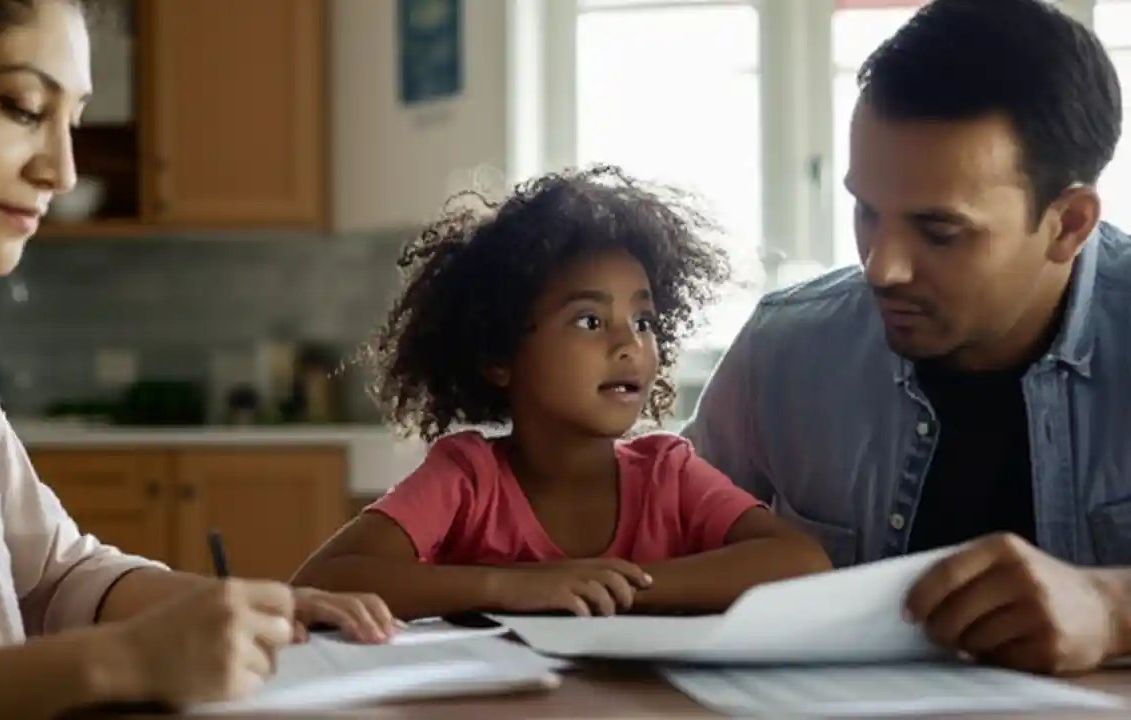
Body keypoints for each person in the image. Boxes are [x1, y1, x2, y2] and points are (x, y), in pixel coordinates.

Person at [0, 3, 396, 717]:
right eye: (22, 108)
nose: (63, 171)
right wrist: (120, 663)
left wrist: (262, 613)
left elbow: (56, 575)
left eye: (71, 122)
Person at [683, 0, 1130, 675]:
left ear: (1068, 223)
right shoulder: (785, 351)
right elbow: (646, 533)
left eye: (939, 230)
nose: (881, 267)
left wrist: (1112, 608)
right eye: (866, 210)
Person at [291, 166, 832, 620]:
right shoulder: (468, 478)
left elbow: (800, 563)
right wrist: (511, 588)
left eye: (643, 320)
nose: (629, 343)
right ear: (500, 357)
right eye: (590, 321)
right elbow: (324, 580)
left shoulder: (669, 472)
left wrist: (611, 589)